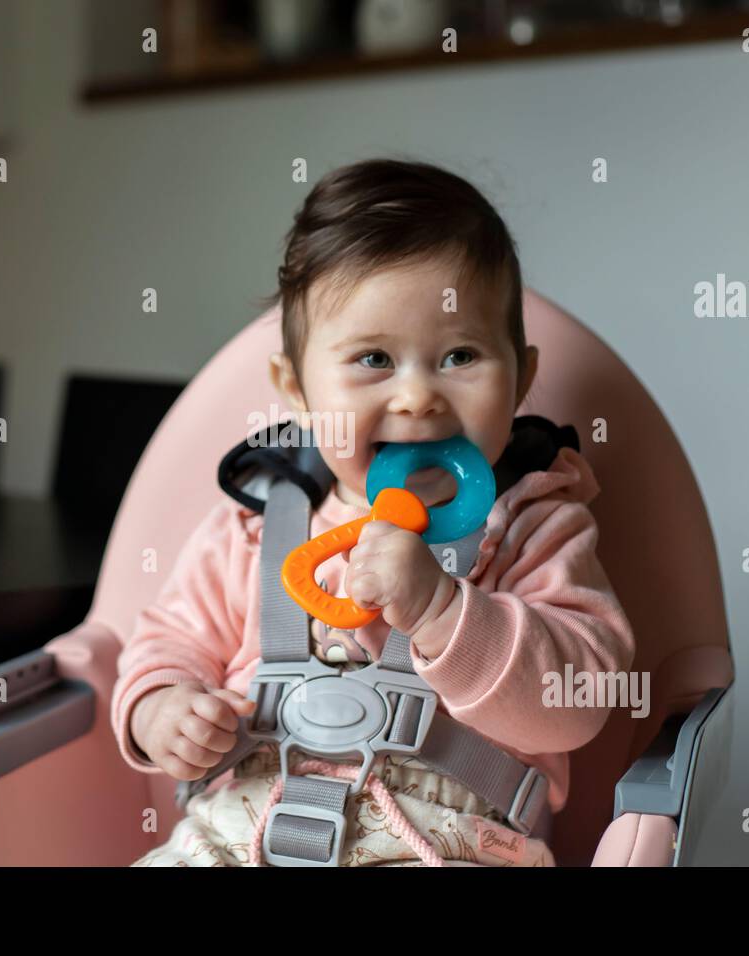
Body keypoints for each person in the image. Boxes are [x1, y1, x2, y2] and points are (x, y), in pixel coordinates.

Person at [112, 158, 635, 866]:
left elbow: (578, 699)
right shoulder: (256, 530)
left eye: (458, 355)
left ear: (523, 379)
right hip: (238, 829)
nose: (417, 396)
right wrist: (161, 711)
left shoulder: (536, 527)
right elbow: (163, 644)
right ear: (296, 390)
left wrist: (444, 611)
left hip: (443, 840)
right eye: (373, 360)